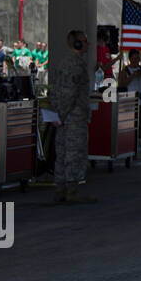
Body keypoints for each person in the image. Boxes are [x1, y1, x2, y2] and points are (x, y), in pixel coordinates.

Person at [50, 29, 97, 204]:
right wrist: (62, 114)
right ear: (76, 44)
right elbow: (69, 93)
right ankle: (72, 190)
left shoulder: (63, 62)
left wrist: (57, 114)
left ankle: (60, 189)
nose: (87, 44)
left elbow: (54, 90)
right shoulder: (76, 64)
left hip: (63, 116)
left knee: (61, 152)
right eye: (84, 41)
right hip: (73, 117)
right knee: (74, 153)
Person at [118, 49, 141, 160]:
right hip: (130, 101)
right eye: (134, 58)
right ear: (130, 59)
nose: (136, 61)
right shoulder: (126, 70)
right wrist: (132, 76)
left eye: (138, 58)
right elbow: (122, 84)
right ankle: (132, 150)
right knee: (131, 127)